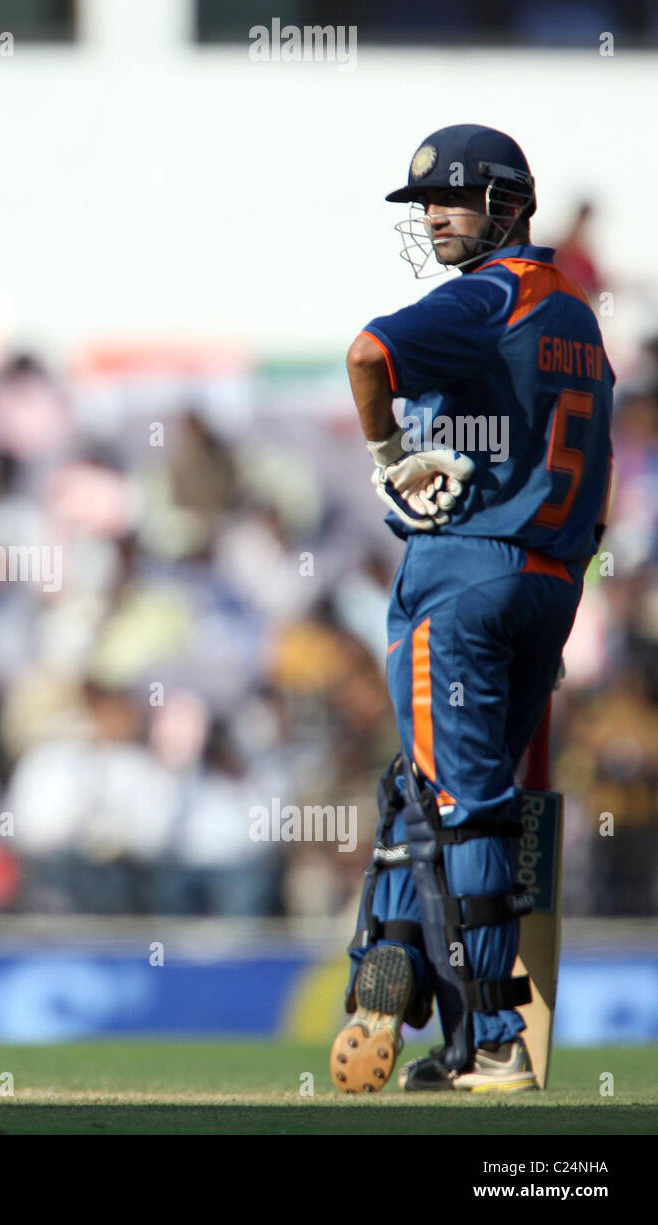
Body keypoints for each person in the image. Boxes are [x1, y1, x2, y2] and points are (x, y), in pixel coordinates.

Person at [330, 125, 612, 1093]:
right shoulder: (576, 312)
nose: (435, 218)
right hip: (550, 581)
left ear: (508, 202)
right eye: (424, 205)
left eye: (452, 198)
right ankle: (405, 985)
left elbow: (368, 354)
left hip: (465, 576)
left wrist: (385, 457)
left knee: (458, 804)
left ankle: (490, 1034)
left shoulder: (485, 295)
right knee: (429, 786)